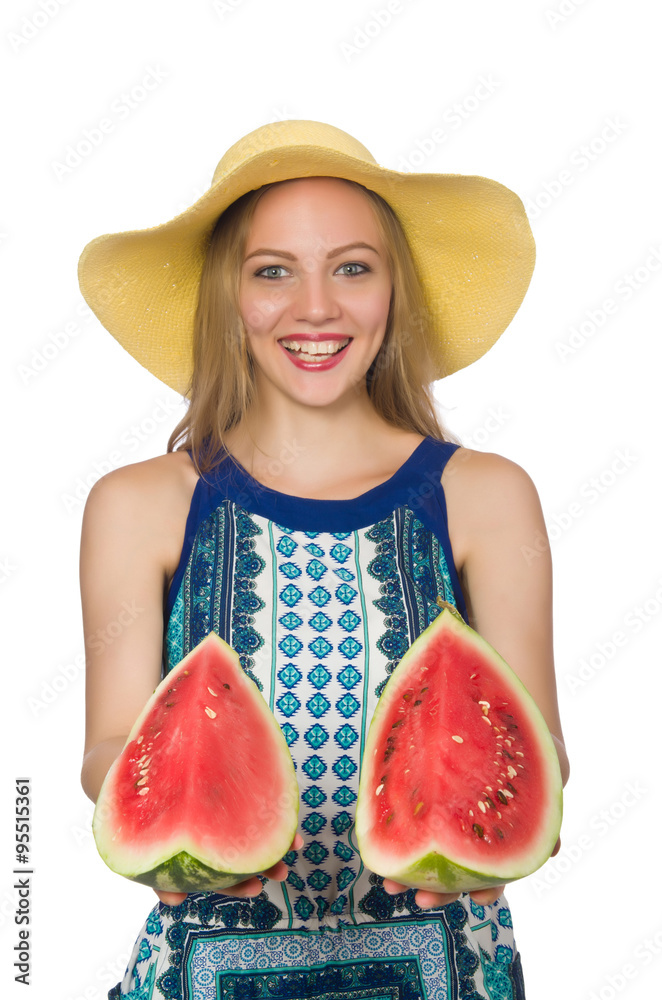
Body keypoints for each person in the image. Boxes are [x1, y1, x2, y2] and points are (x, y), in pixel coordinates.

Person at [78, 119, 569, 1000]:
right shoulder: (139, 504)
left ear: (394, 291)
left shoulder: (486, 496)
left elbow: (539, 751)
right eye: (274, 271)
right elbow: (108, 745)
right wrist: (163, 832)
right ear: (228, 297)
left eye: (352, 267)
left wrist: (504, 835)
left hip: (451, 973)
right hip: (198, 972)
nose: (316, 307)